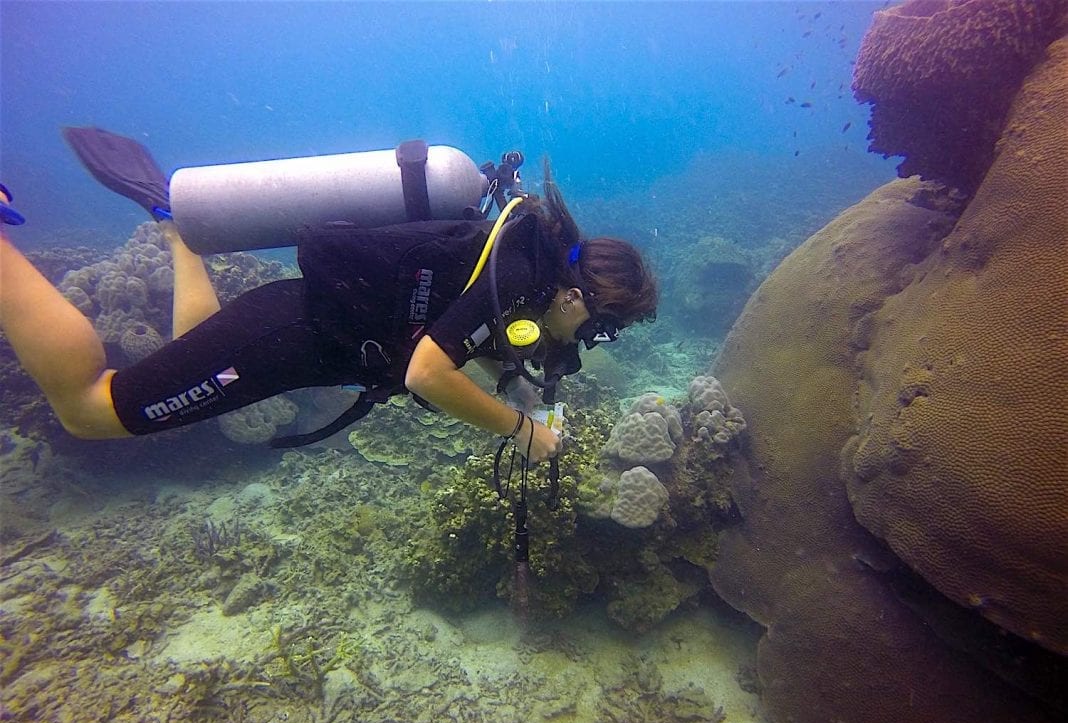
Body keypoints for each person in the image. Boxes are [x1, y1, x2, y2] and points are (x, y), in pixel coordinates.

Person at [0, 164, 657, 464]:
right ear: (575, 297)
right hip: (283, 338)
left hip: (295, 336)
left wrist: (512, 384)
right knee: (90, 410)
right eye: (600, 329)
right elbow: (427, 372)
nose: (589, 342)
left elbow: (463, 327)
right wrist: (521, 431)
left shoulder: (521, 272)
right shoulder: (514, 277)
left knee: (192, 342)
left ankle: (175, 227)